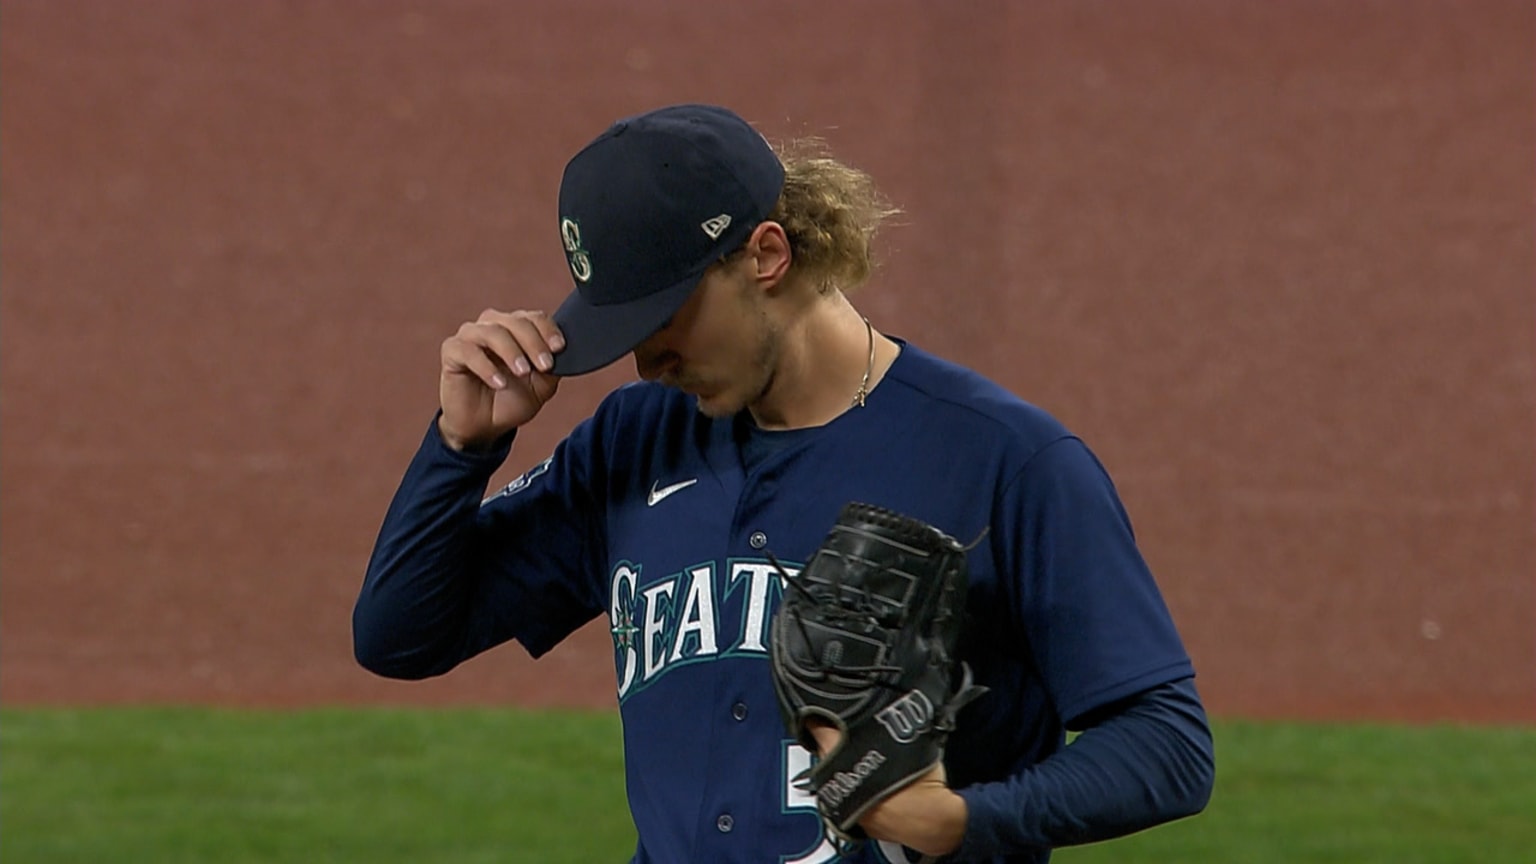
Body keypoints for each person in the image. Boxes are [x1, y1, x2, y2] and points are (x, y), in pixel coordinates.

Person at [353, 103, 1214, 864]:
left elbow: (1167, 746)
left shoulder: (1004, 460)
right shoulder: (632, 440)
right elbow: (401, 639)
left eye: (664, 319)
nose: (648, 362)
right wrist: (461, 448)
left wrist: (960, 820)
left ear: (766, 253)